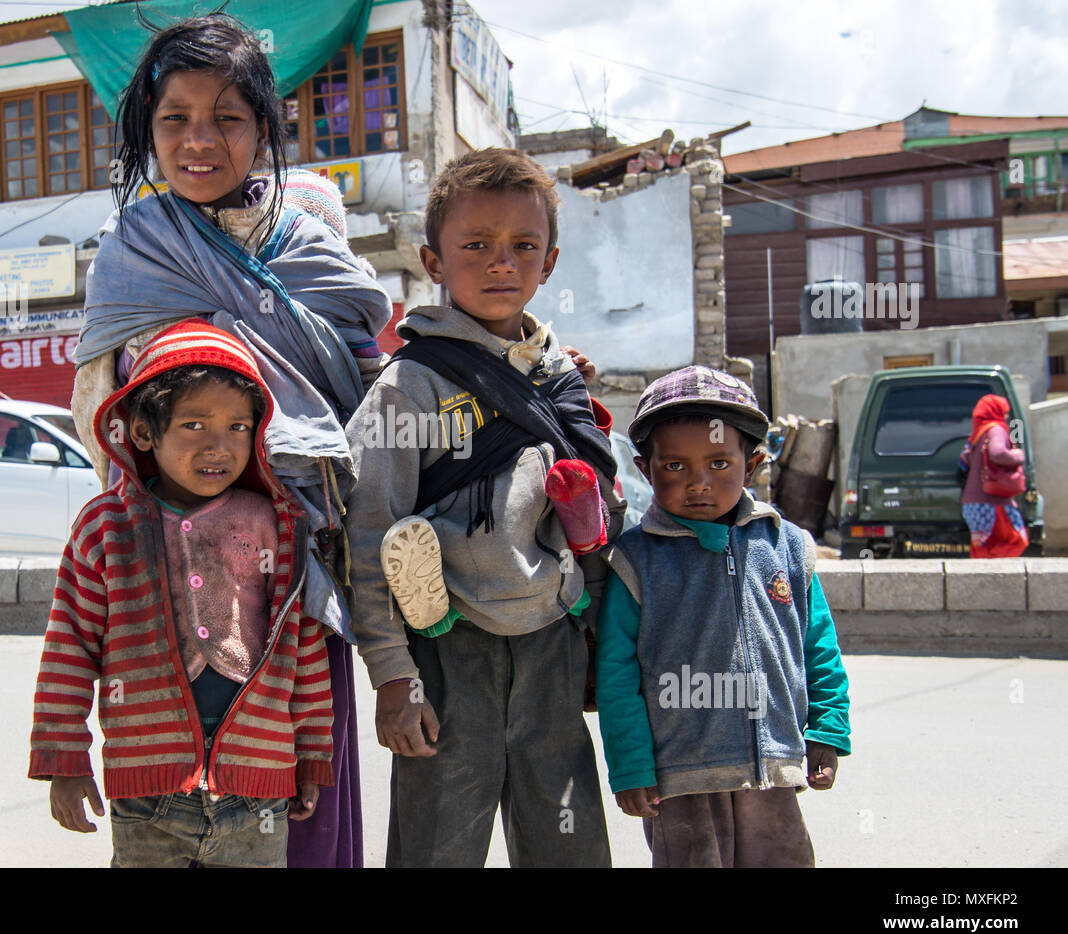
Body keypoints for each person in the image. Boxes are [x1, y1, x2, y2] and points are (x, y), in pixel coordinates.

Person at [71, 12, 388, 867]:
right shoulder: (132, 250)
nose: (199, 139)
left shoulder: (311, 252)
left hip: (297, 563)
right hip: (169, 567)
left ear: (264, 130)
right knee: (176, 791)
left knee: (299, 783)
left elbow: (367, 397)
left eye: (228, 117)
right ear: (146, 128)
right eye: (174, 117)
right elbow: (101, 406)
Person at [344, 148, 622, 867]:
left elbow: (594, 505)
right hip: (445, 648)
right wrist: (393, 679)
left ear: (550, 262)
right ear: (434, 260)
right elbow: (370, 537)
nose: (502, 263)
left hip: (550, 642)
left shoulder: (558, 375)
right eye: (476, 246)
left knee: (571, 848)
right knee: (437, 849)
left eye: (522, 247)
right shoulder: (409, 387)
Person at [29, 321, 333, 867]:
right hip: (146, 792)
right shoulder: (107, 528)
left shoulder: (274, 526)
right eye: (195, 424)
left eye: (239, 426)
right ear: (144, 433)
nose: (220, 445)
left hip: (259, 786)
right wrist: (65, 758)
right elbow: (68, 647)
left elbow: (301, 645)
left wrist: (311, 753)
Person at [595, 366, 851, 867]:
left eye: (718, 463)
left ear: (751, 464)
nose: (698, 484)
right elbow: (616, 675)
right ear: (646, 470)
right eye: (674, 467)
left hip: (772, 765)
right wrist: (630, 767)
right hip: (679, 777)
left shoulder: (788, 548)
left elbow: (819, 647)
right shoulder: (635, 560)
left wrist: (828, 729)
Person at [958, 394, 1029, 558]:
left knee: (981, 547)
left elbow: (964, 461)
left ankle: (982, 578)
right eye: (1004, 412)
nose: (1006, 416)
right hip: (992, 501)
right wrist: (1018, 455)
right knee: (1017, 540)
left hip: (972, 504)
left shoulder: (977, 434)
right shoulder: (996, 429)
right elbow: (997, 453)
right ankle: (995, 574)